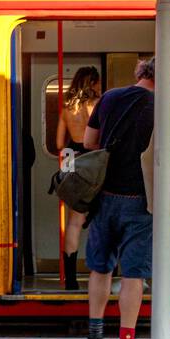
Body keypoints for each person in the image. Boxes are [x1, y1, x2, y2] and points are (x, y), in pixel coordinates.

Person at [81, 57, 157, 339]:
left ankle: (95, 335)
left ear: (140, 73)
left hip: (104, 196)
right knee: (132, 274)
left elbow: (89, 141)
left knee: (101, 267)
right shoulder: (164, 106)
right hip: (140, 200)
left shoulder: (110, 97)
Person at [55, 66, 101, 291]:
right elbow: (99, 136)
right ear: (92, 83)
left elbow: (58, 144)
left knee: (73, 223)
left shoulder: (66, 109)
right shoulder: (98, 104)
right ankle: (101, 276)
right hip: (95, 164)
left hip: (75, 164)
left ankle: (71, 281)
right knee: (102, 222)